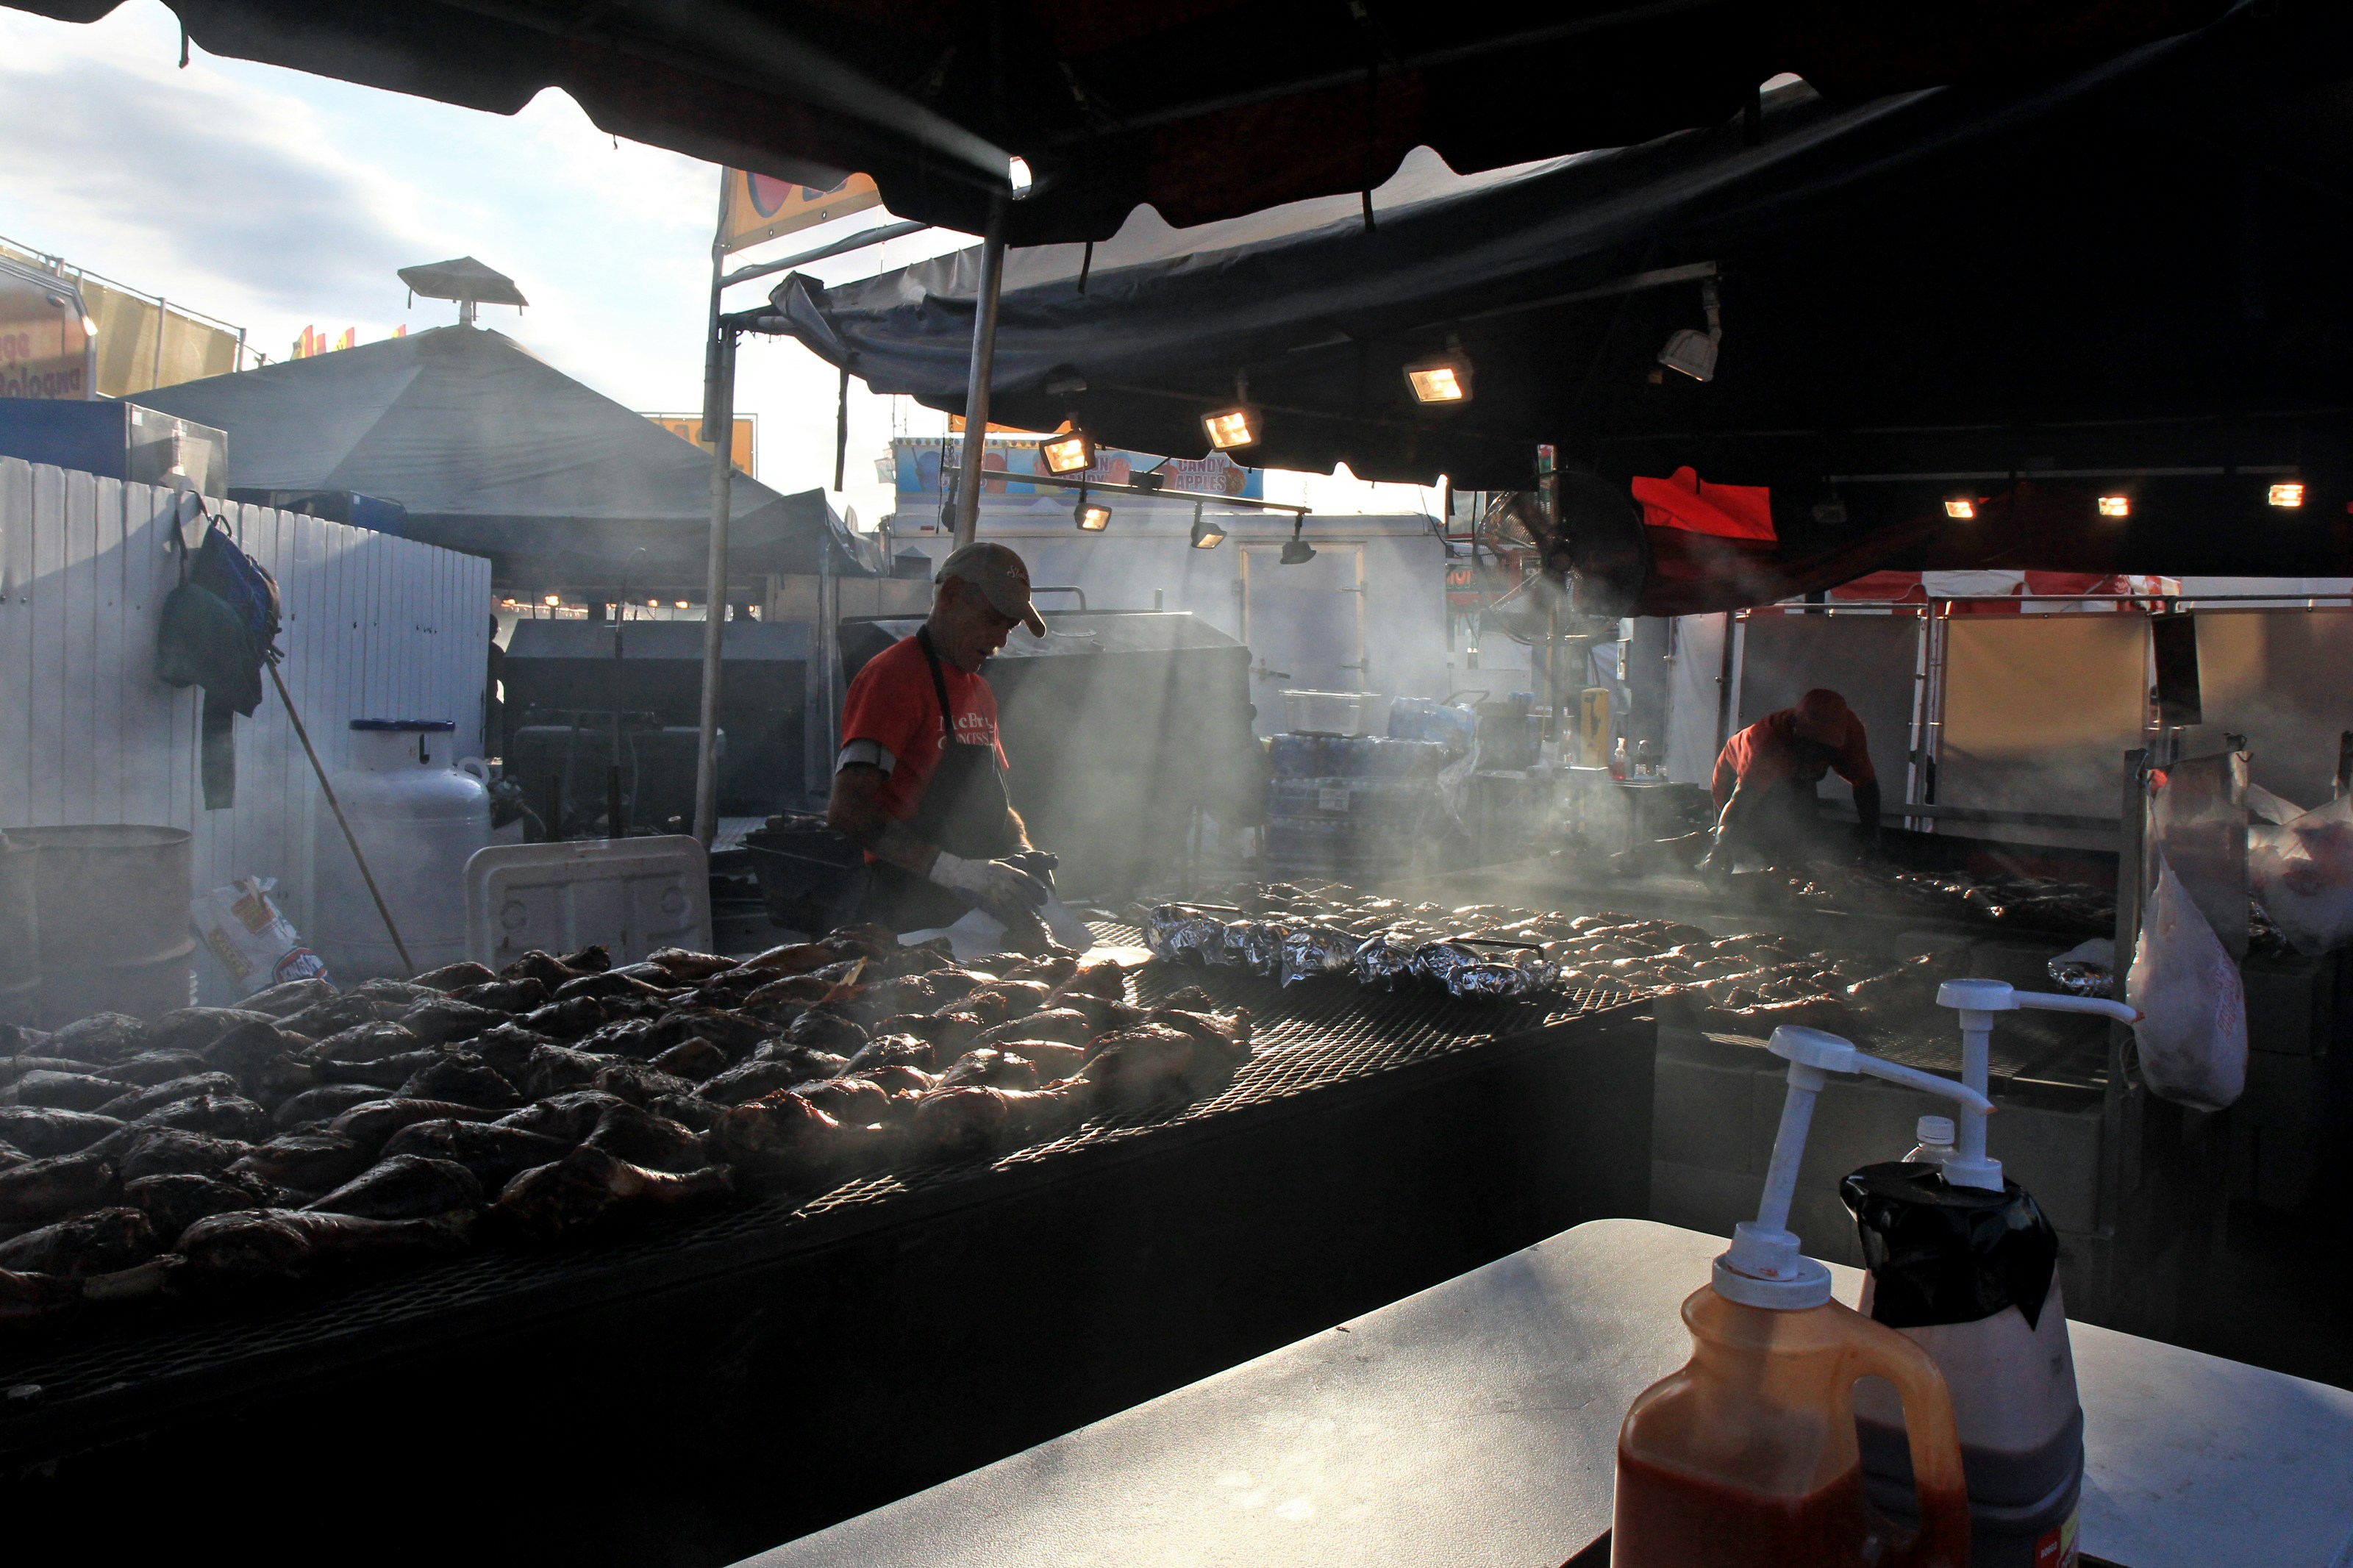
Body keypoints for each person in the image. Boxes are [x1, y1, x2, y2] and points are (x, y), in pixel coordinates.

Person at [827, 541, 1054, 932]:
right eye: (992, 619)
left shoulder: (979, 691)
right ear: (950, 596)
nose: (1000, 640)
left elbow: (997, 803)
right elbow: (848, 810)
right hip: (906, 913)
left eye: (1009, 627)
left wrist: (1020, 850)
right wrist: (955, 872)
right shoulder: (891, 678)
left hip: (978, 912)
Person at [1703, 687, 1879, 876]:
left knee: (1803, 837)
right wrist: (1720, 848)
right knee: (1751, 842)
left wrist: (1872, 840)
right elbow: (1740, 803)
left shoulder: (1850, 732)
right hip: (1735, 778)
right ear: (1796, 731)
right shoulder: (1766, 744)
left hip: (1793, 773)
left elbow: (1865, 786)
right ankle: (1712, 850)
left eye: (1822, 749)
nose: (1815, 755)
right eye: (1810, 747)